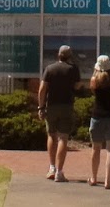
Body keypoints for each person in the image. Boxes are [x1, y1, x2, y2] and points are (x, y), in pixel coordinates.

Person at [38, 44, 81, 182]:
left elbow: (42, 89)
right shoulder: (73, 69)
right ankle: (59, 171)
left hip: (51, 106)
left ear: (58, 55)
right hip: (67, 105)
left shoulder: (50, 69)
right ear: (70, 56)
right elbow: (77, 86)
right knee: (63, 138)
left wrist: (41, 107)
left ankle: (51, 167)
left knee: (51, 135)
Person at [87, 55, 110, 188]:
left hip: (97, 117)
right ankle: (108, 181)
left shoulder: (93, 81)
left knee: (96, 149)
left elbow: (93, 92)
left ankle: (94, 178)